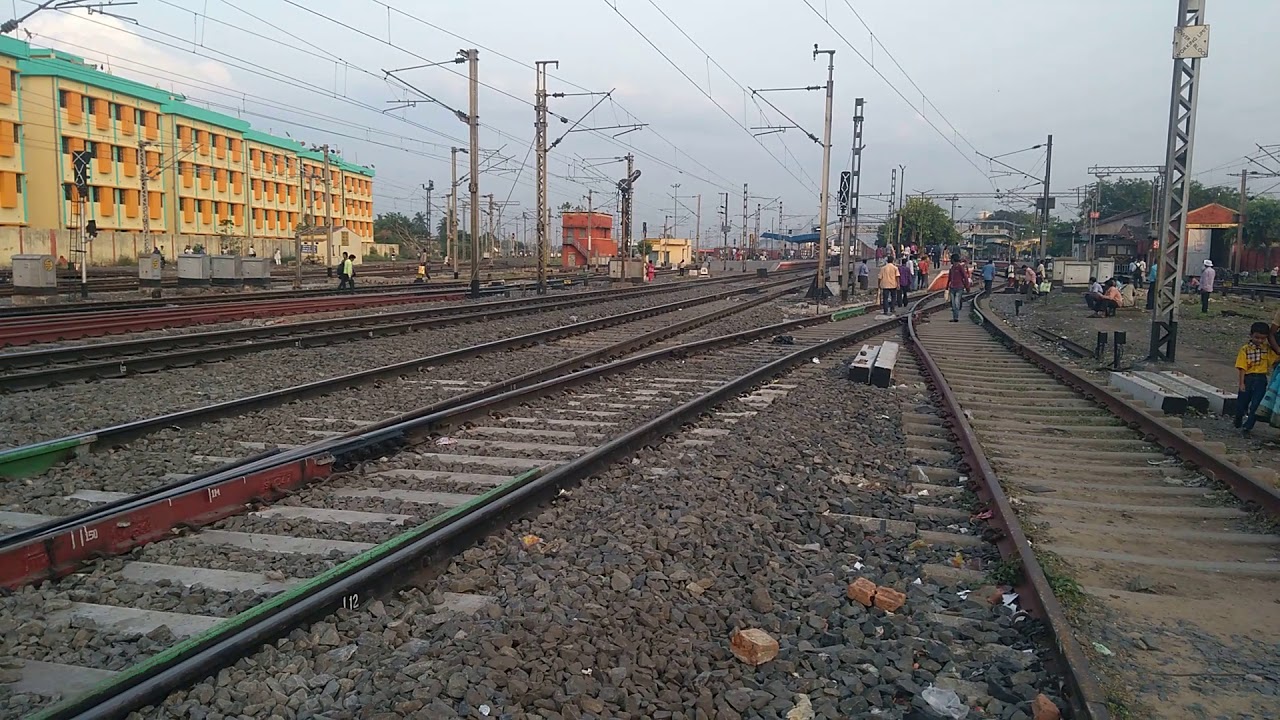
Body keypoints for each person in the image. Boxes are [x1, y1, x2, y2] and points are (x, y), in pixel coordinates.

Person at [1235, 321, 1279, 433]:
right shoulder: (1245, 349)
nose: (1259, 341)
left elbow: (1275, 358)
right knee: (1242, 403)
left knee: (1256, 404)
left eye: (1262, 339)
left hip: (1261, 379)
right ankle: (1238, 417)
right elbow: (1242, 367)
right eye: (1257, 337)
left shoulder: (1267, 349)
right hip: (1248, 378)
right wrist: (1241, 383)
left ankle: (1248, 426)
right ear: (1251, 335)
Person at [945, 253, 971, 321]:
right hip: (952, 287)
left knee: (956, 302)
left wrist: (967, 287)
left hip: (959, 287)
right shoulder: (952, 268)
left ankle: (956, 317)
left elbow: (965, 277)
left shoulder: (960, 267)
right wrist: (947, 287)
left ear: (953, 260)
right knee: (953, 303)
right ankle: (955, 317)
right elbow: (950, 278)